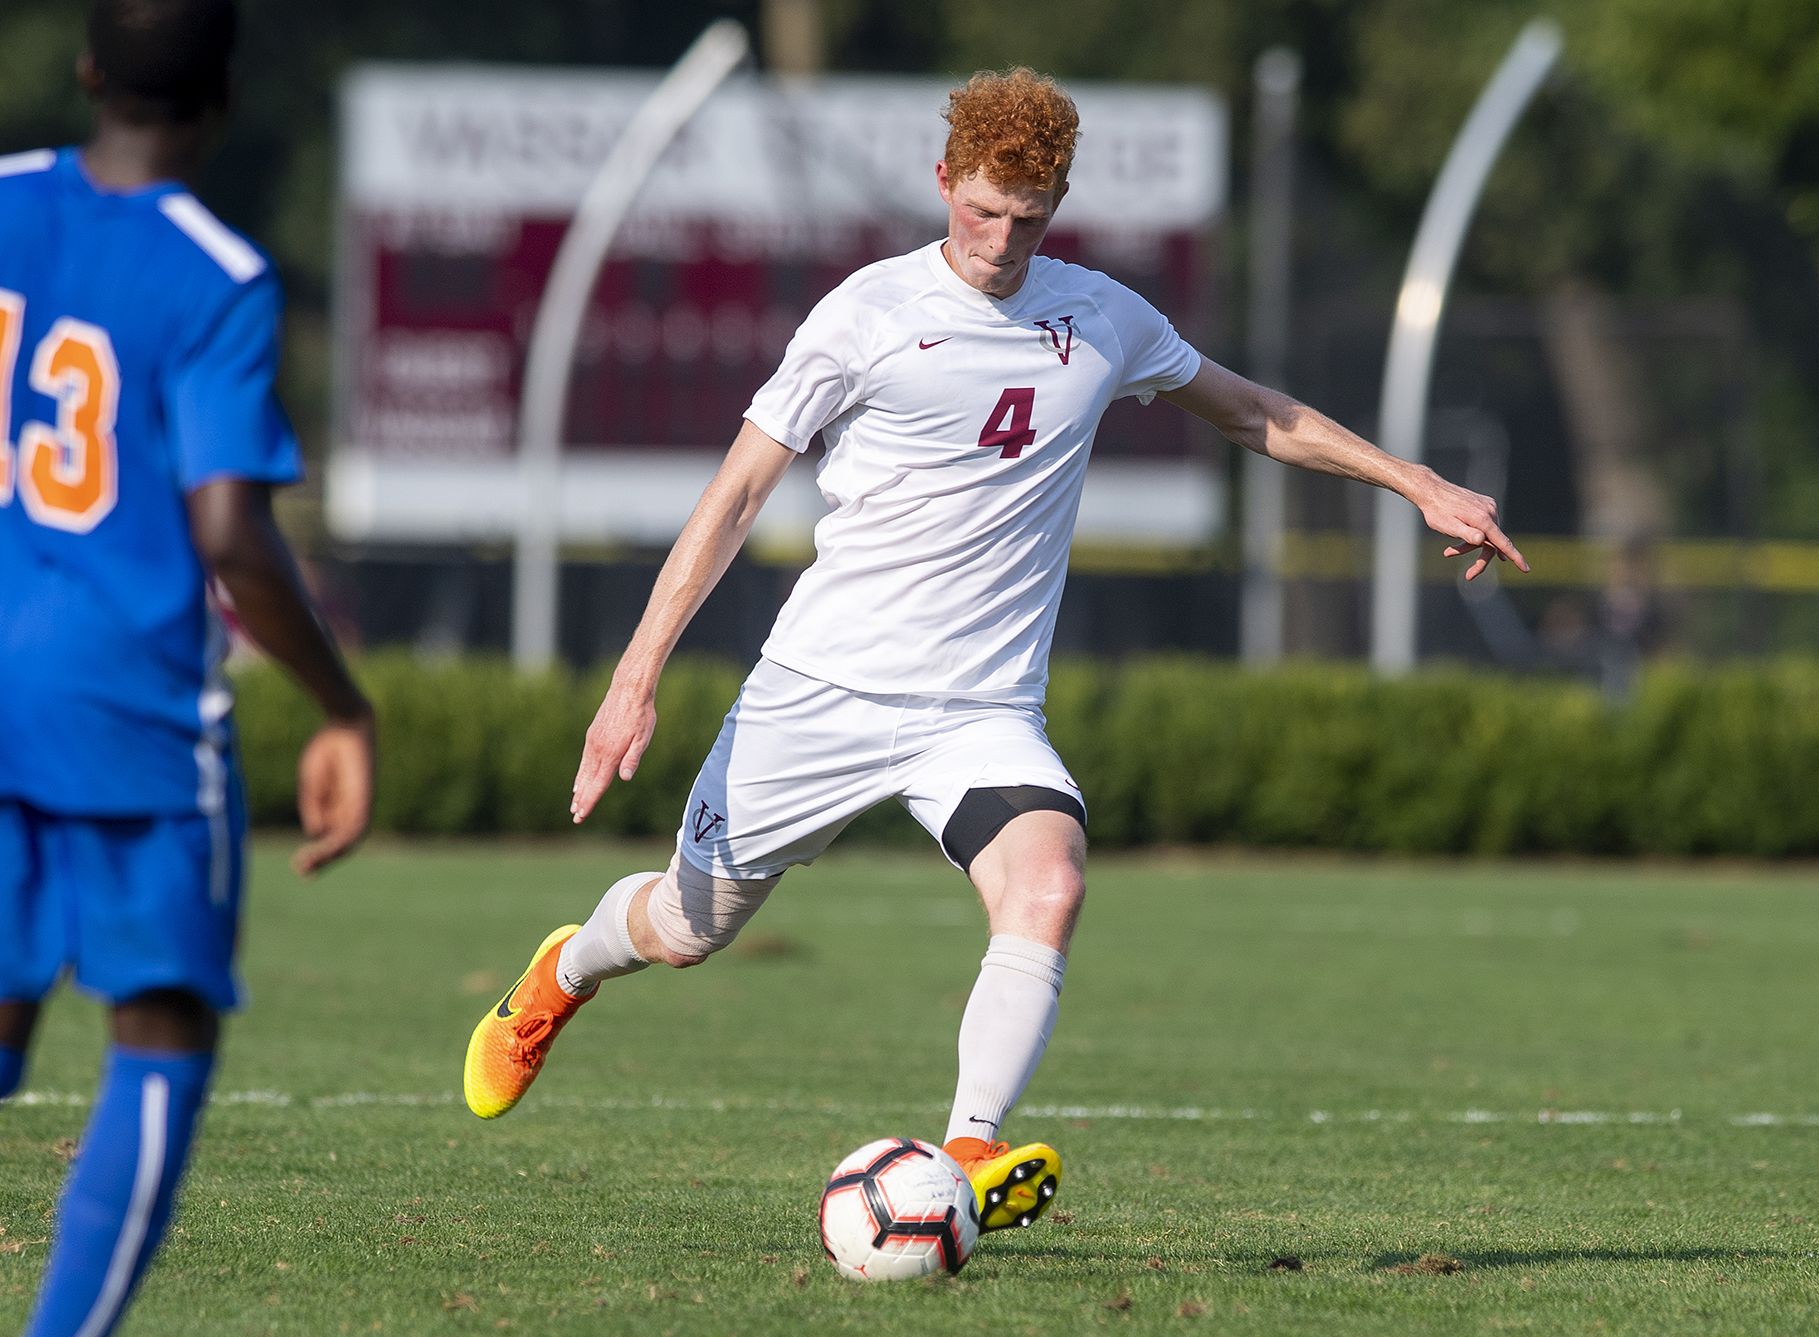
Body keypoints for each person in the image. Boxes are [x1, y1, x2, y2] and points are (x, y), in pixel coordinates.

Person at [463, 67, 1524, 1231]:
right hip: (821, 692)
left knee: (1051, 881)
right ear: (942, 185)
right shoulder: (865, 316)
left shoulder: (1103, 318)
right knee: (683, 928)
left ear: (1057, 203)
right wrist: (634, 680)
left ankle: (969, 1148)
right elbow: (731, 501)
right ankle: (560, 976)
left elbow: (1251, 412)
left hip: (979, 709)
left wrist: (1415, 482)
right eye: (981, 209)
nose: (1001, 239)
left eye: (1029, 216)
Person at [0, 2, 375, 1337]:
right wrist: (344, 703)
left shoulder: (1, 202)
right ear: (220, 98)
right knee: (161, 1022)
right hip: (128, 709)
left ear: (90, 70)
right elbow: (227, 530)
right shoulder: (218, 271)